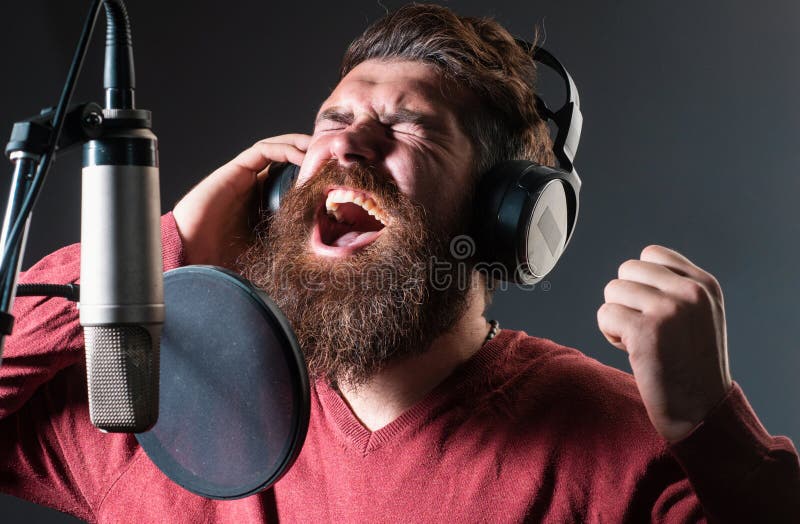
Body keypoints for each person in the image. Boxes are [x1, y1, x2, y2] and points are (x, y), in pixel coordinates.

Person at [1, 4, 798, 522]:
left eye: (410, 129)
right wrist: (154, 248)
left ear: (503, 216)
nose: (348, 143)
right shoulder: (158, 400)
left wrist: (710, 428)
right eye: (333, 121)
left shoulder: (621, 449)